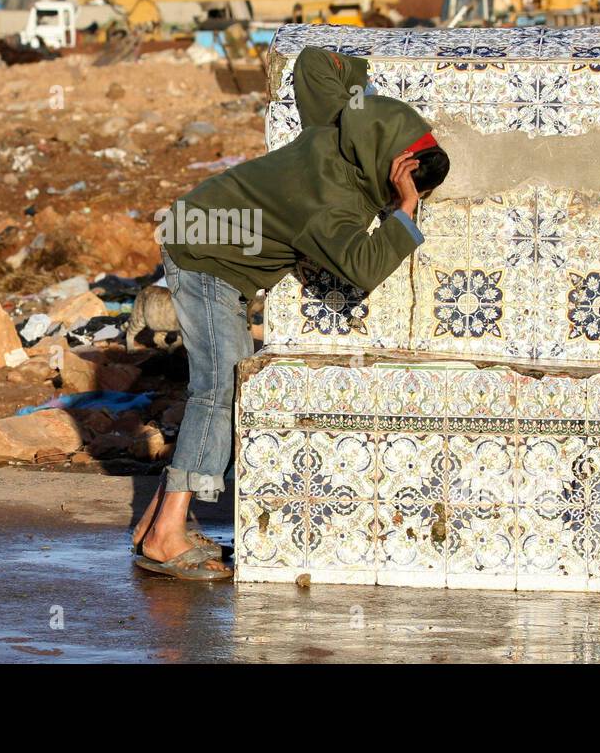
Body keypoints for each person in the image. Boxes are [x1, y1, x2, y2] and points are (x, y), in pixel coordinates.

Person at [134, 46, 450, 580]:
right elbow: (362, 268)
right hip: (203, 257)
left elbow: (311, 63)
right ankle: (165, 538)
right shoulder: (330, 206)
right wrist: (405, 210)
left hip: (198, 231)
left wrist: (365, 89)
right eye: (412, 184)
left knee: (220, 387)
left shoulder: (341, 125)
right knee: (220, 389)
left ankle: (155, 526)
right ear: (399, 170)